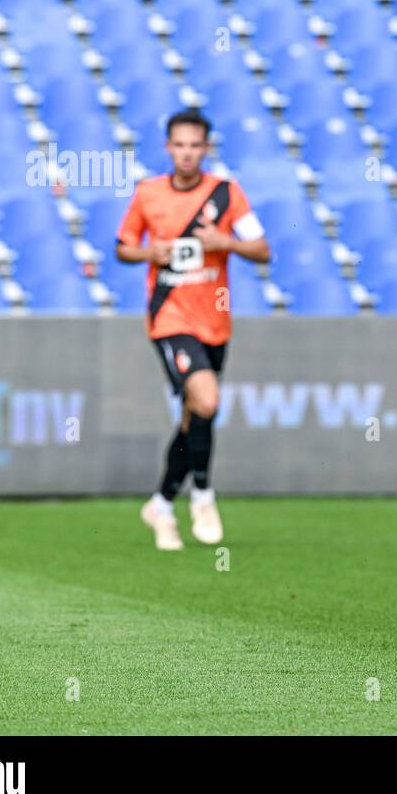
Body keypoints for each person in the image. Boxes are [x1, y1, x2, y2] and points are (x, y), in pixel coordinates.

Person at [115, 108, 271, 550]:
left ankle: (161, 505)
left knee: (195, 417)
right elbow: (123, 247)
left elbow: (262, 249)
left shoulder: (226, 195)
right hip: (170, 318)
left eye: (194, 145)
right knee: (207, 399)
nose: (186, 153)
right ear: (168, 147)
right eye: (178, 145)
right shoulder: (148, 194)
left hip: (214, 321)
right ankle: (202, 494)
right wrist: (151, 252)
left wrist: (227, 243)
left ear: (205, 148)